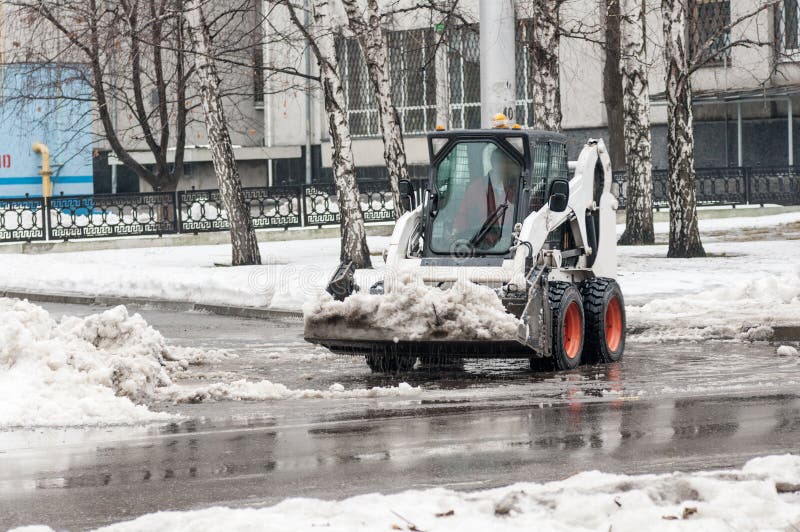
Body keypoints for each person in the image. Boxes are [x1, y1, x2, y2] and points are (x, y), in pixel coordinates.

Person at [452, 148, 519, 250]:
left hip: (512, 246)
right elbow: (463, 215)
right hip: (482, 246)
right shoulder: (476, 189)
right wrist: (456, 231)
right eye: (506, 164)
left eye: (510, 164)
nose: (510, 168)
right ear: (495, 164)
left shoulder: (516, 189)